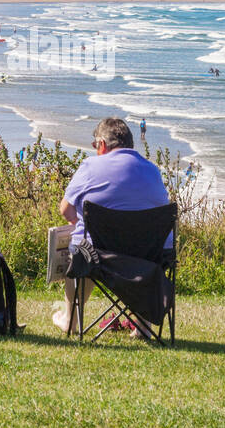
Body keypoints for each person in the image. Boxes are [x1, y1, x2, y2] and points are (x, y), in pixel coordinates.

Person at [53, 117, 170, 336]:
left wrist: (91, 225)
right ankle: (144, 326)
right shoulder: (153, 170)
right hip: (150, 256)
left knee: (83, 250)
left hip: (100, 257)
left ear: (103, 144)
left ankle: (71, 319)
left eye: (95, 145)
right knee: (127, 247)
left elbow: (66, 211)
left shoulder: (90, 166)